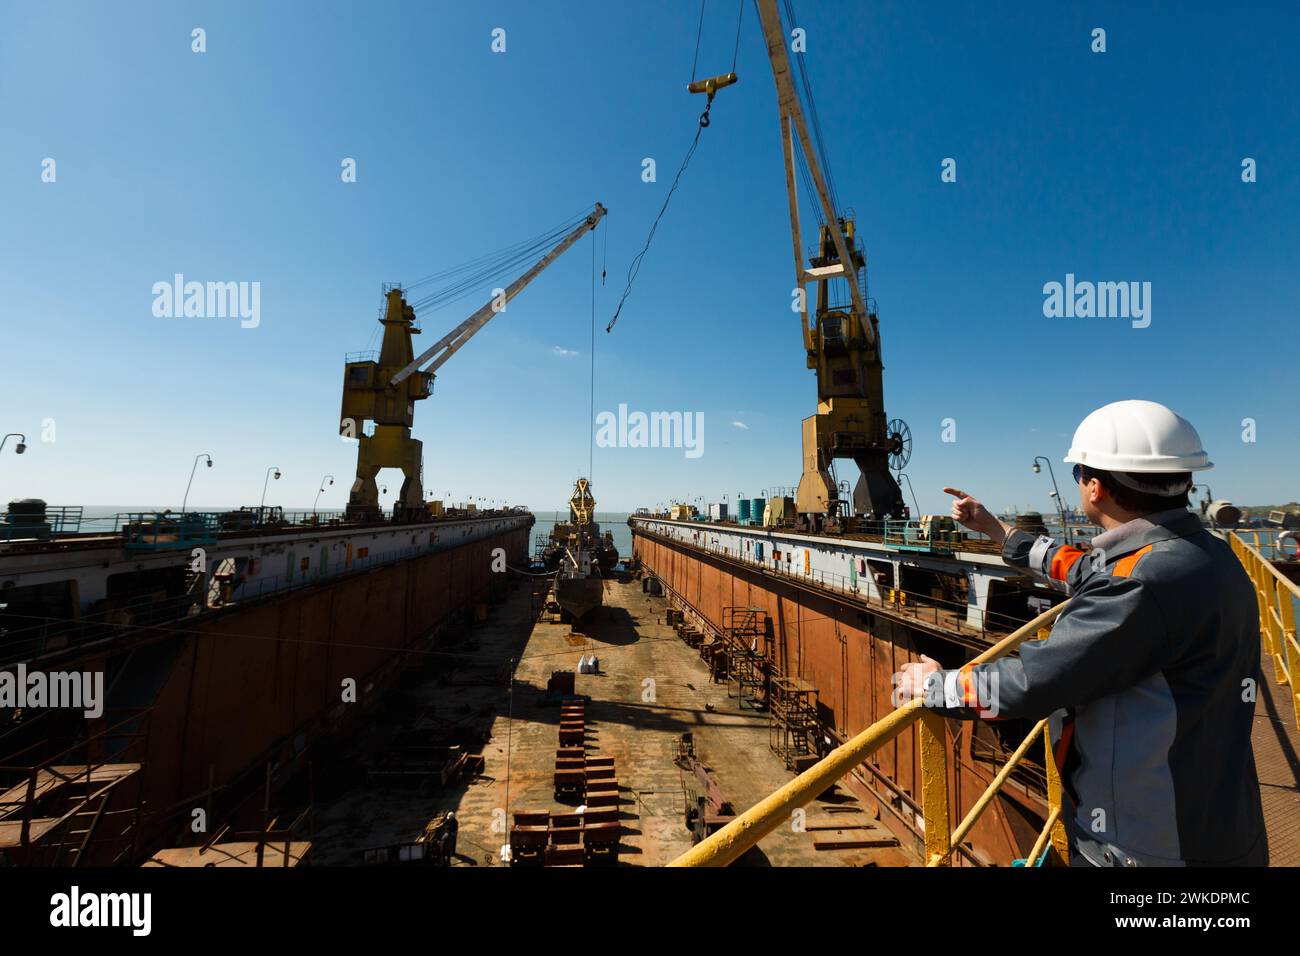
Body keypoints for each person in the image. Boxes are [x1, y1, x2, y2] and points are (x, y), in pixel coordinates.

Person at [897, 400, 1267, 866]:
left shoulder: (1138, 583)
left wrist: (936, 686)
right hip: (1222, 825)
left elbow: (1034, 681)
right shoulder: (1204, 554)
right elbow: (1083, 568)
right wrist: (994, 528)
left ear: (1094, 487)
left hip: (1147, 847)